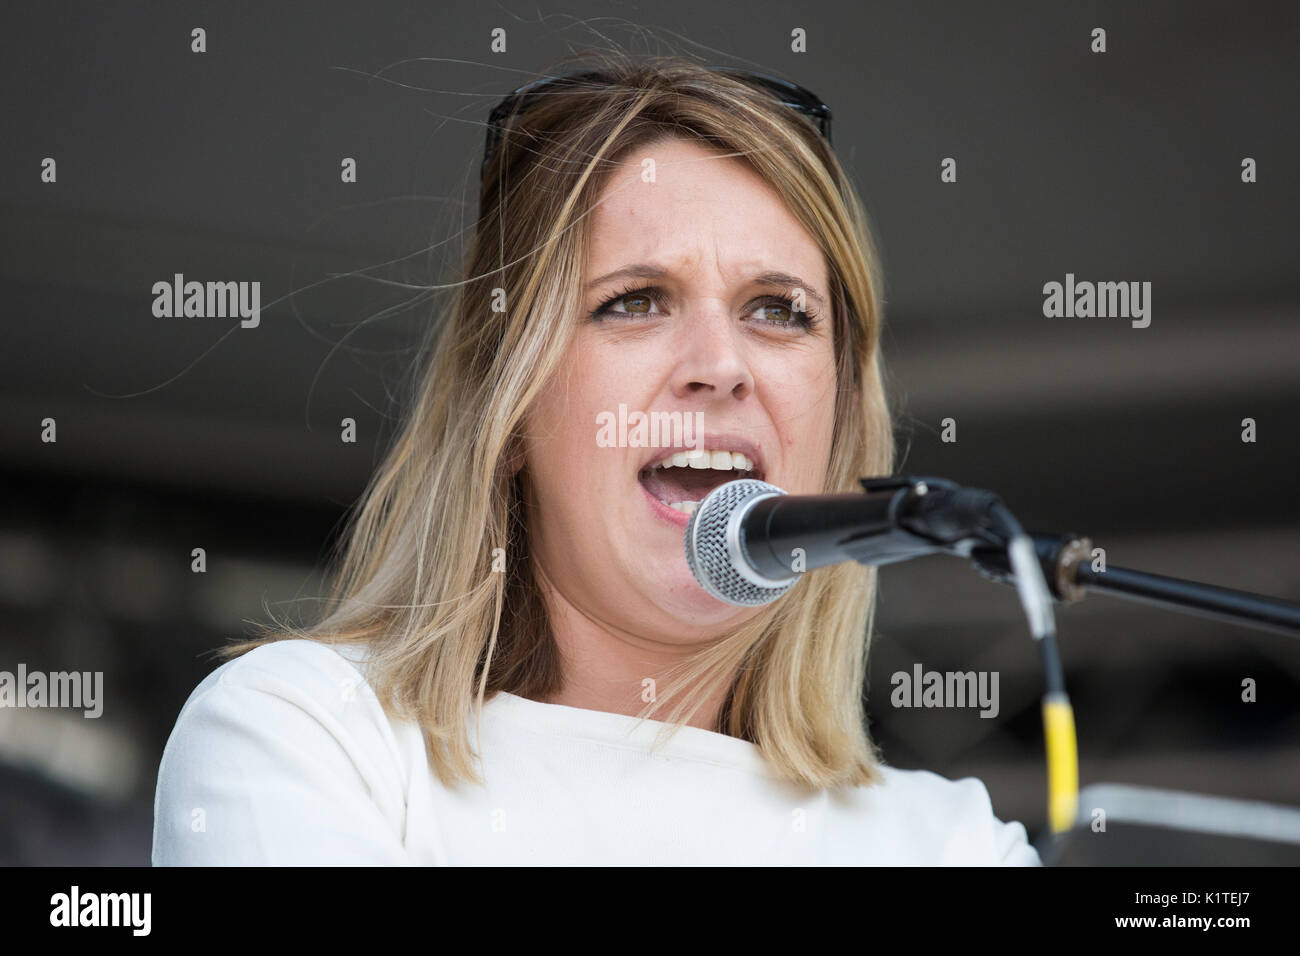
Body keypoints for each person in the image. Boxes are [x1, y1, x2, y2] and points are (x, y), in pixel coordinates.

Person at [152, 52, 1041, 865]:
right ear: (504, 408)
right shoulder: (310, 734)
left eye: (777, 310)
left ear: (842, 422)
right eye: (637, 301)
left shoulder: (950, 842)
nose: (722, 366)